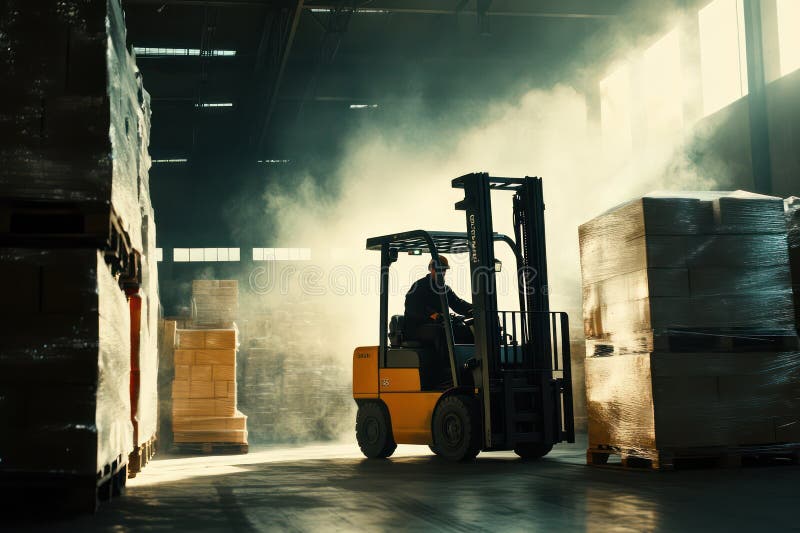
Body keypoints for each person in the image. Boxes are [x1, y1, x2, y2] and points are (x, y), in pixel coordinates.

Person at [404, 255, 473, 388]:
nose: (441, 273)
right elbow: (413, 309)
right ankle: (445, 372)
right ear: (431, 269)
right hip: (416, 328)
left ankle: (465, 365)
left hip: (437, 325)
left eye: (443, 270)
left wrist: (475, 308)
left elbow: (458, 304)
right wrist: (433, 315)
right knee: (441, 332)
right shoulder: (419, 287)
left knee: (463, 330)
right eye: (438, 270)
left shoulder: (445, 289)